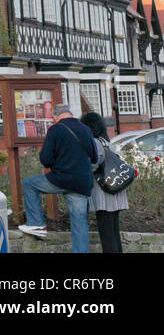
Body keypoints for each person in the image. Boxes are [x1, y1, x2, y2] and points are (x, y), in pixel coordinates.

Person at [18, 103, 96, 252]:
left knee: (29, 184)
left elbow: (45, 159)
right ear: (70, 113)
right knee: (79, 223)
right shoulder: (86, 129)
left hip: (60, 179)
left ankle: (36, 224)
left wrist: (58, 163)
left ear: (55, 116)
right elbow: (93, 156)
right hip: (81, 182)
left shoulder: (55, 129)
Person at [81, 111, 127, 253]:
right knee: (113, 232)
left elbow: (94, 163)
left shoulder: (96, 142)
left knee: (107, 234)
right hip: (113, 192)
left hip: (104, 195)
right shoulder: (106, 141)